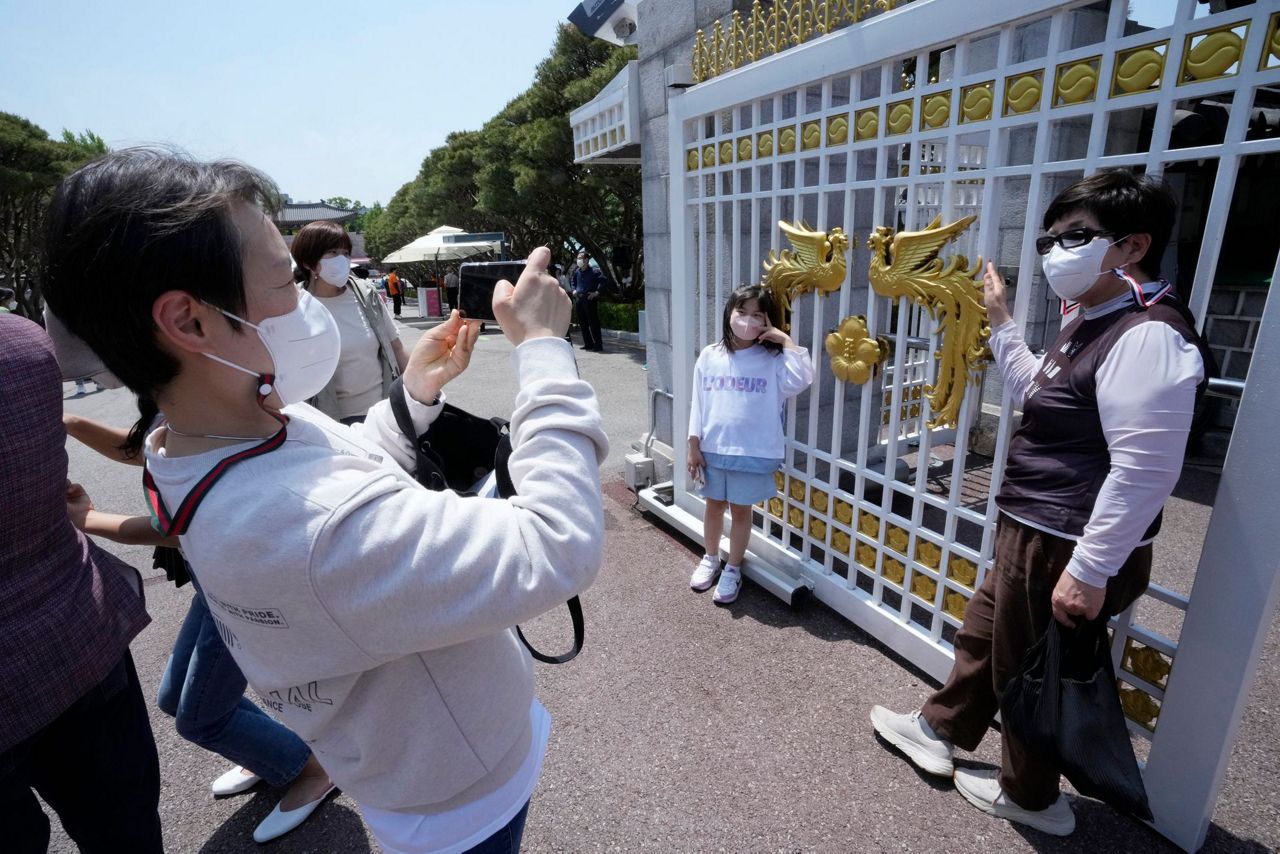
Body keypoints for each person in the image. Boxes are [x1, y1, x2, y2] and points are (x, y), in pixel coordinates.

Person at [43, 148, 607, 854]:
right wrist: (547, 353)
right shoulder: (307, 526)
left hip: (419, 759)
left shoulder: (207, 435)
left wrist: (414, 399)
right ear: (189, 322)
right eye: (286, 279)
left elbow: (342, 466)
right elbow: (556, 545)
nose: (307, 302)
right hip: (462, 792)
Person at [870, 170, 1211, 837]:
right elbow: (1041, 392)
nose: (1057, 251)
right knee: (989, 635)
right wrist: (1000, 321)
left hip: (1067, 540)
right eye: (1051, 239)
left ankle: (1032, 797)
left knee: (1030, 668)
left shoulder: (1148, 335)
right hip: (1035, 526)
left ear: (1134, 245)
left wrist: (1088, 570)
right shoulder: (1094, 319)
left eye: (1076, 236)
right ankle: (940, 729)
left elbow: (1145, 469)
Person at [63, 411, 335, 844]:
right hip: (214, 586)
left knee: (200, 720)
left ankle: (311, 770)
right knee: (175, 700)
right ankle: (268, 749)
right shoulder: (178, 393)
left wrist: (88, 520)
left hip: (241, 592)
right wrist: (72, 422)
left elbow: (178, 530)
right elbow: (145, 448)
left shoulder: (208, 401)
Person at [0, 313, 162, 853]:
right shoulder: (23, 342)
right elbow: (152, 453)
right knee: (126, 828)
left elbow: (183, 514)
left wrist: (92, 519)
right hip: (82, 634)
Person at [686, 284, 814, 605]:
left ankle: (733, 567)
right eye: (742, 312)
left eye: (757, 315)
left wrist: (785, 341)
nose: (747, 320)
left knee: (741, 512)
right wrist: (693, 444)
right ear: (729, 312)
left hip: (752, 452)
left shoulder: (773, 361)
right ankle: (711, 557)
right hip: (714, 449)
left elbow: (801, 379)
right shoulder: (710, 356)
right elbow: (697, 403)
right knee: (714, 507)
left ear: (767, 321)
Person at [292, 221, 409, 424]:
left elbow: (396, 348)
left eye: (346, 253)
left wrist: (416, 392)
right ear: (308, 262)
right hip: (331, 421)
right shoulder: (295, 306)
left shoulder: (366, 295)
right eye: (332, 252)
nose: (342, 260)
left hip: (384, 413)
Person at [570, 250, 604, 352]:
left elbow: (603, 282)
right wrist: (574, 289)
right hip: (580, 300)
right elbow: (573, 281)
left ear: (586, 260)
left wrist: (596, 293)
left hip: (589, 300)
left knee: (593, 323)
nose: (578, 260)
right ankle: (588, 343)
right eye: (578, 258)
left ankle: (598, 345)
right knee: (583, 324)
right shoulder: (577, 271)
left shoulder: (595, 271)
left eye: (580, 258)